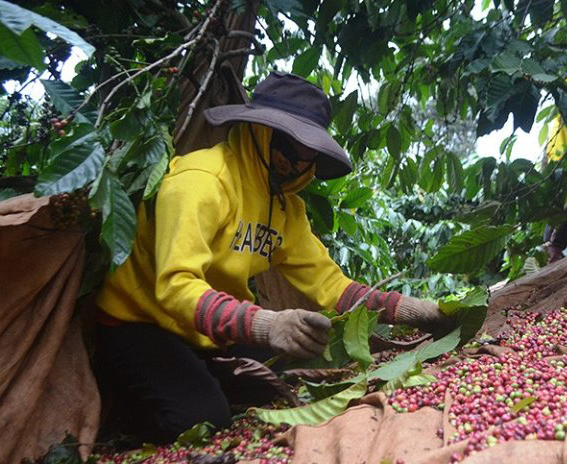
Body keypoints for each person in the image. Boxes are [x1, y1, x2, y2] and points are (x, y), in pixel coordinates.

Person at [94, 72, 450, 443]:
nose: (299, 163)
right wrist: (267, 325)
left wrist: (415, 311)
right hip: (140, 324)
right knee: (202, 420)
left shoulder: (286, 209)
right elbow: (174, 287)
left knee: (295, 373)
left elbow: (332, 286)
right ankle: (128, 415)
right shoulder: (201, 181)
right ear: (262, 132)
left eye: (310, 152)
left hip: (206, 333)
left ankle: (200, 377)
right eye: (292, 145)